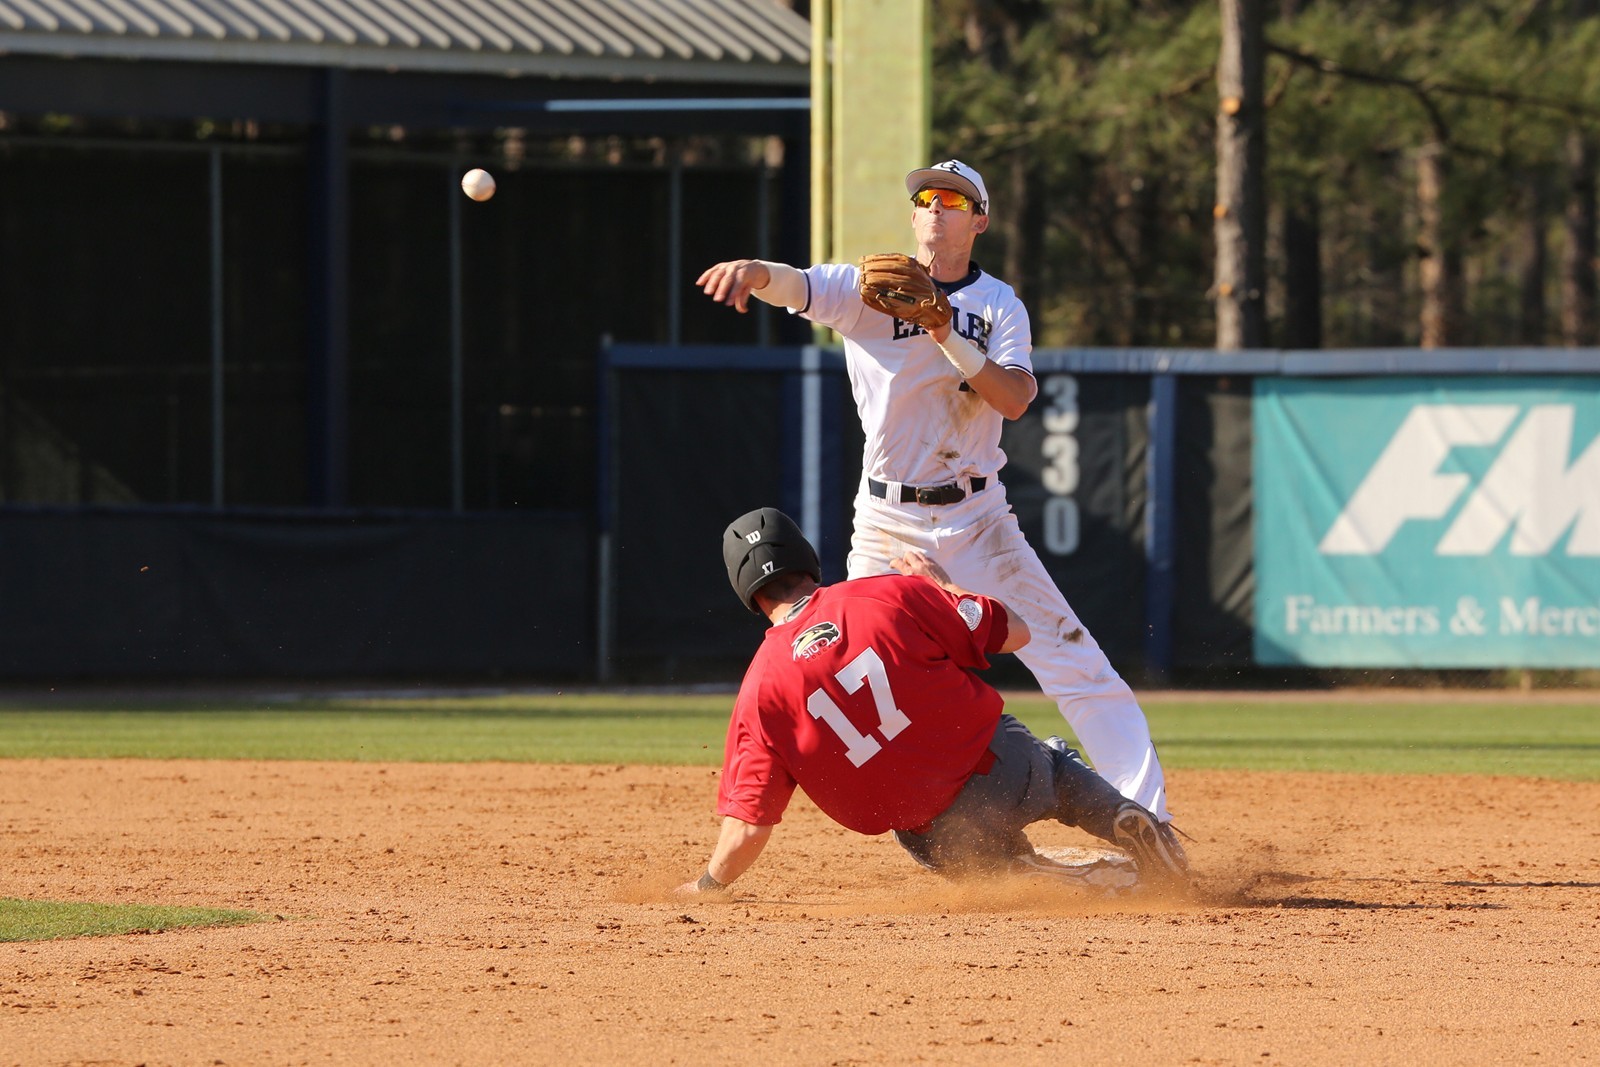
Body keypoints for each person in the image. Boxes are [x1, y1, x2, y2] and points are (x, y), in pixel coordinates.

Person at [696, 159, 1177, 827]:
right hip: (887, 522)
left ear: (979, 221)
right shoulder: (867, 287)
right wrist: (754, 270)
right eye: (925, 197)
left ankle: (1148, 824)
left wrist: (946, 330)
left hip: (979, 517)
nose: (935, 207)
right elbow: (796, 284)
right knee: (847, 669)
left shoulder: (1000, 304)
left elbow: (1013, 399)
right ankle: (949, 826)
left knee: (1077, 663)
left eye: (953, 199)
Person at [674, 507, 1190, 898]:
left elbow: (748, 826)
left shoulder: (758, 690)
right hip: (1003, 769)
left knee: (944, 847)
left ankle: (1025, 874)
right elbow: (1015, 633)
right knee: (1054, 767)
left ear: (747, 592)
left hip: (936, 828)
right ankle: (1122, 816)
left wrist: (708, 885)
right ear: (805, 558)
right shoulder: (884, 594)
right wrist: (941, 585)